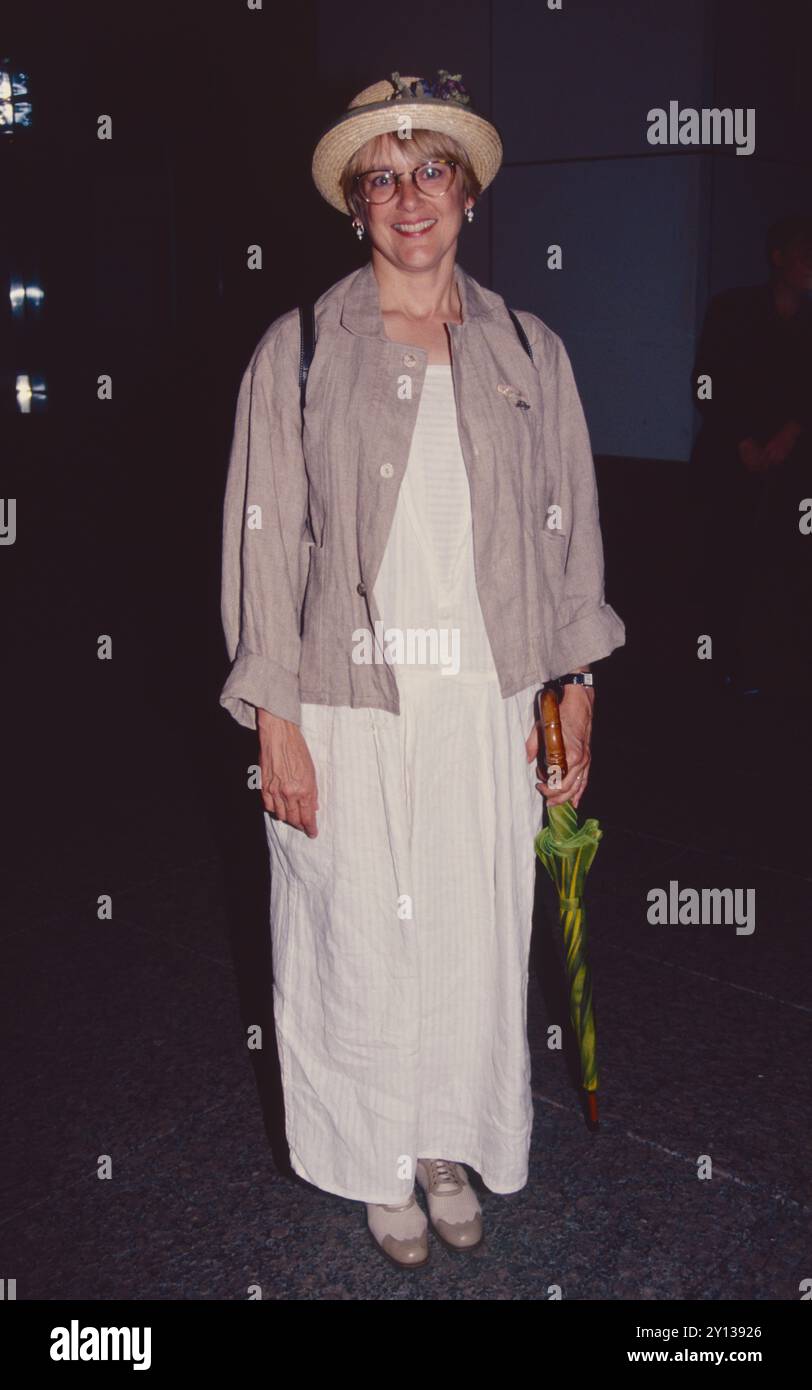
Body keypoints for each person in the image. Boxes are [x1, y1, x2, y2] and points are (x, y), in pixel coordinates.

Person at [219, 70, 625, 1269]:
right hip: (345, 700)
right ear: (355, 204)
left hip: (486, 693)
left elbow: (568, 530)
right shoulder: (295, 351)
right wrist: (272, 717)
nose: (408, 198)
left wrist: (574, 681)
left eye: (429, 171)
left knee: (470, 927)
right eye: (382, 178)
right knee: (350, 925)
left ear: (466, 193)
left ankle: (445, 1138)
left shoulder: (527, 350)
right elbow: (259, 543)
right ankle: (371, 1152)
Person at [691, 214, 812, 696]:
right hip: (729, 459)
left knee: (787, 564)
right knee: (725, 564)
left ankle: (780, 670)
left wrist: (792, 431)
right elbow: (706, 382)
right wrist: (742, 438)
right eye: (804, 253)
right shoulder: (733, 309)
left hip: (792, 466)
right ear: (778, 257)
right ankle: (722, 667)